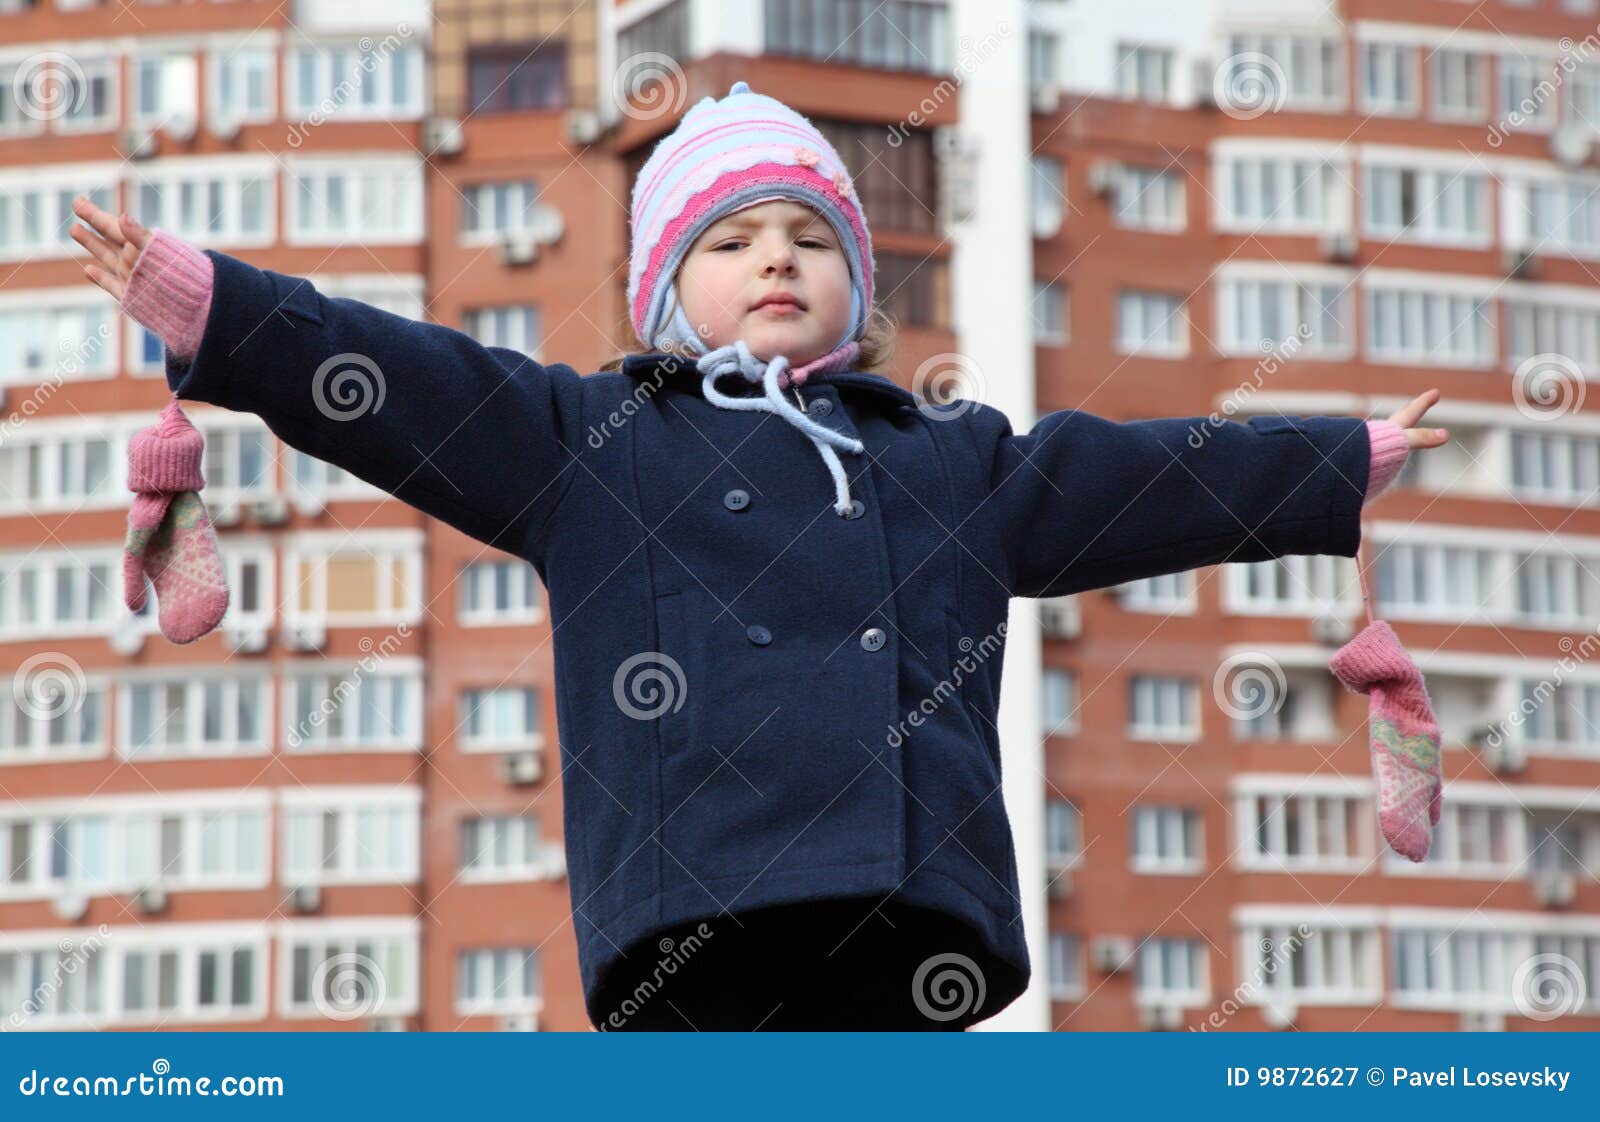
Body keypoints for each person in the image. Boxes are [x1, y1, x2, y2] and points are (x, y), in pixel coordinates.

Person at [73, 80, 1447, 1030]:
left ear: (856, 282)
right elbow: (409, 383)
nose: (776, 260)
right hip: (694, 915)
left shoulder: (947, 457)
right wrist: (217, 311)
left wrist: (1340, 460)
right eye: (732, 240)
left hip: (912, 914)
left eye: (809, 238)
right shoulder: (591, 442)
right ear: (670, 288)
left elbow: (1138, 481)